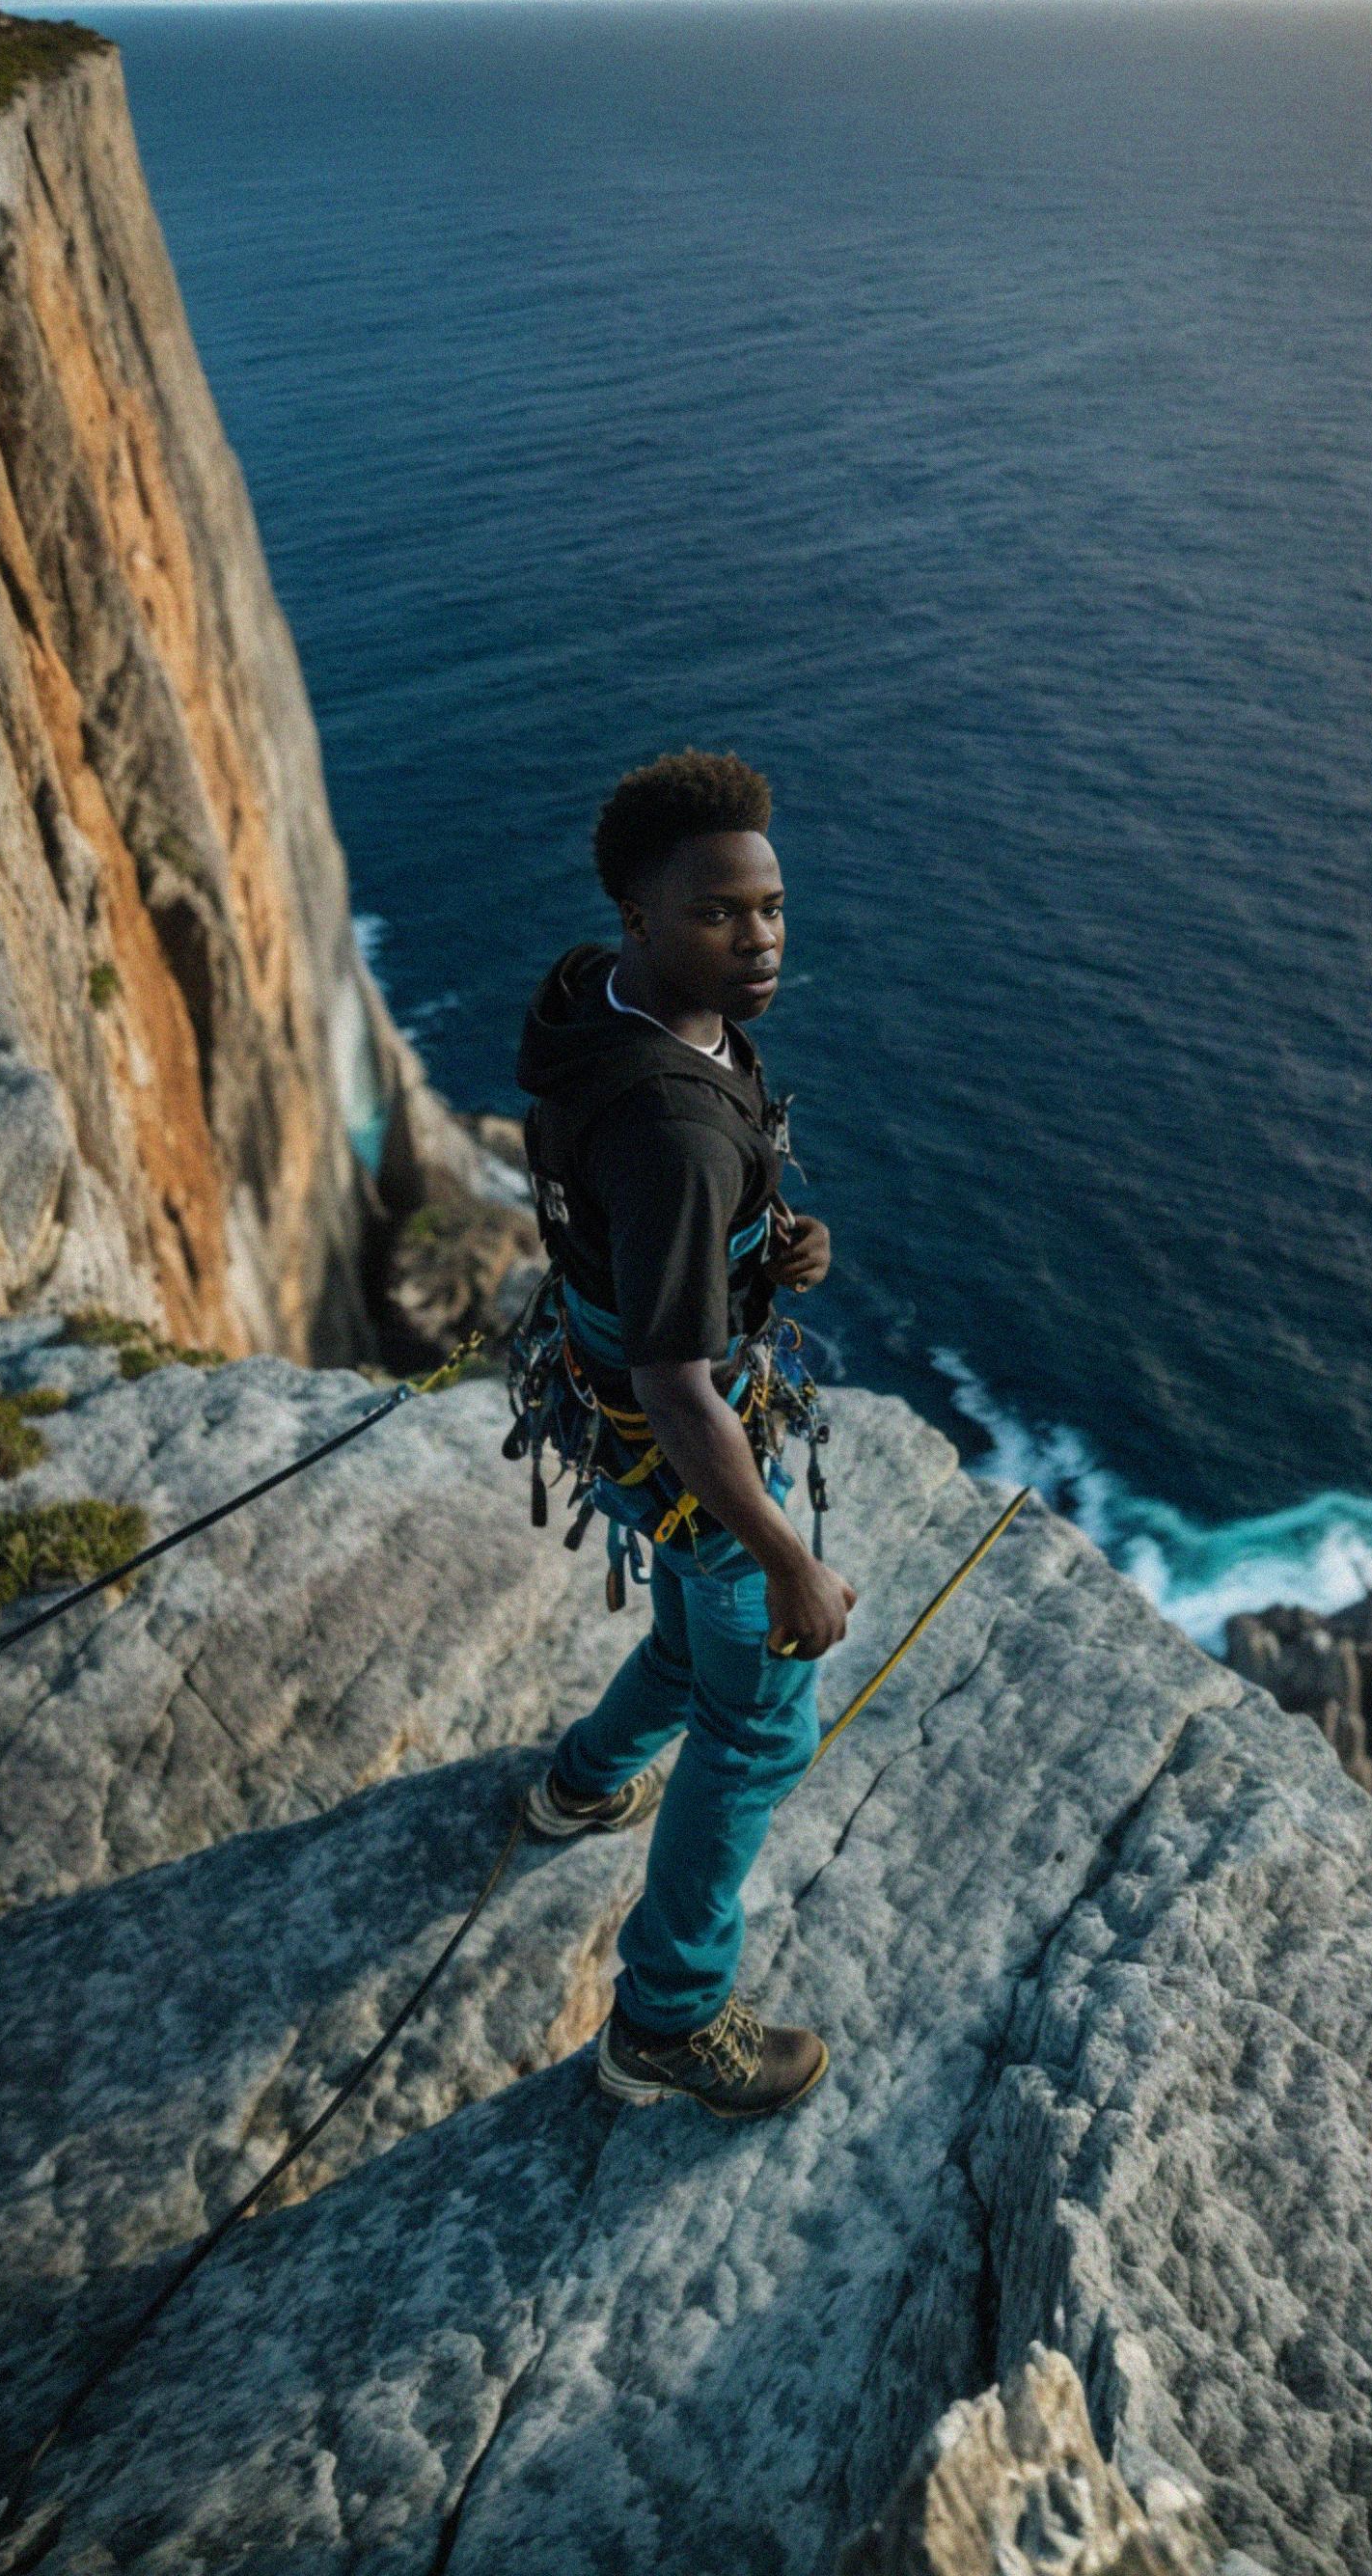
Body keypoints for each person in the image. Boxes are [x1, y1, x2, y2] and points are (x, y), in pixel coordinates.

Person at [513, 748, 856, 2122]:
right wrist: (785, 1556)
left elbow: (652, 1243)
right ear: (643, 918)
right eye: (721, 914)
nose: (759, 935)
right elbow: (678, 1384)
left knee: (683, 1639)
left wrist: (771, 1249)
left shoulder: (604, 1005)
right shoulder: (672, 1130)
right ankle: (666, 2018)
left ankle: (580, 1787)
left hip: (602, 1395)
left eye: (770, 906)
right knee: (763, 1719)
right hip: (676, 1433)